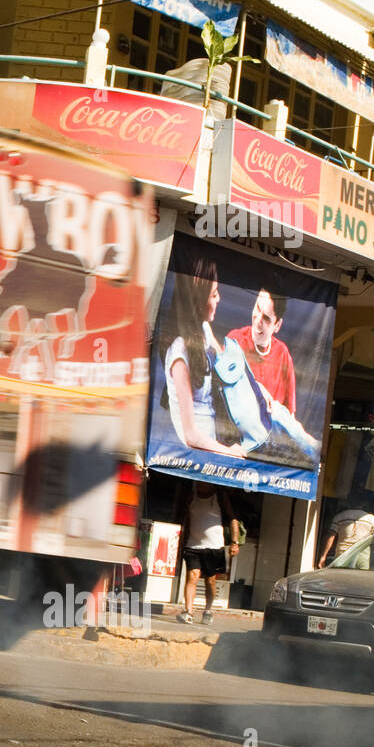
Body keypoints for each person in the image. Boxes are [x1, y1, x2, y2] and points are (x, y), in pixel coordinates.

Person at [161, 256, 244, 458]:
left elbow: (225, 363)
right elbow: (191, 435)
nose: (219, 299)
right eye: (214, 294)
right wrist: (228, 452)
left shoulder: (204, 329)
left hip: (214, 441)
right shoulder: (179, 354)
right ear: (198, 301)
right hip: (197, 452)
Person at [176, 480, 239, 625]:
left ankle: (208, 610)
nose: (198, 485)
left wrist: (235, 542)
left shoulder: (220, 497)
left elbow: (233, 519)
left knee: (210, 580)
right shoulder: (191, 496)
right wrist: (181, 543)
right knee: (193, 576)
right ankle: (188, 612)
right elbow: (186, 518)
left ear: (210, 484)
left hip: (215, 547)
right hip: (193, 545)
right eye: (197, 483)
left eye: (202, 483)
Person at [227, 287, 296, 415]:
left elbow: (290, 412)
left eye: (266, 318)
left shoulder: (283, 354)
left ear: (277, 325)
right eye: (257, 308)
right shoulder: (235, 340)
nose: (258, 321)